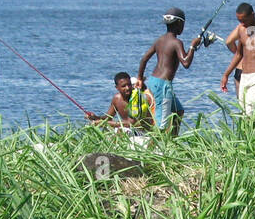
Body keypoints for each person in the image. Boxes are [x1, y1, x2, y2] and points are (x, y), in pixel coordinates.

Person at [137, 7, 202, 135]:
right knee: (162, 122)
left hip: (153, 80)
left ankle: (173, 140)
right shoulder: (176, 42)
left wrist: (140, 78)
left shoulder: (160, 40)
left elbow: (144, 59)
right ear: (179, 24)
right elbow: (186, 62)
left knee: (178, 111)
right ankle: (158, 147)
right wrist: (192, 46)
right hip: (163, 85)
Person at [86, 72, 155, 131]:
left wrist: (103, 123)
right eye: (123, 86)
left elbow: (132, 123)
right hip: (127, 130)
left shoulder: (137, 98)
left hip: (143, 132)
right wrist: (95, 117)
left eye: (129, 85)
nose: (127, 88)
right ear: (117, 87)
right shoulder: (116, 99)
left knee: (120, 130)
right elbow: (108, 118)